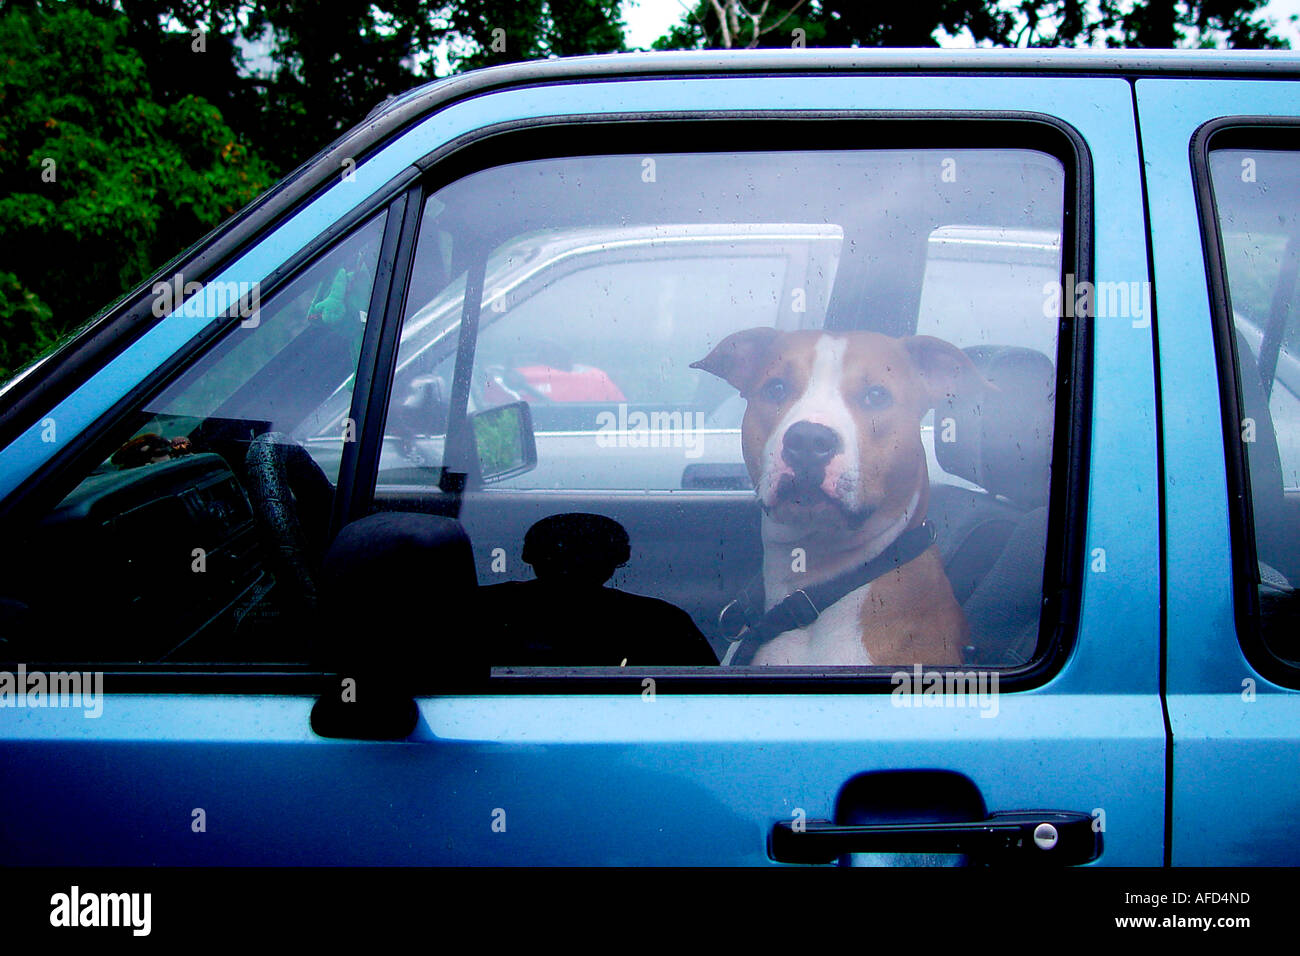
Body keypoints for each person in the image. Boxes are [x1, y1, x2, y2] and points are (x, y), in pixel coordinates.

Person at [482, 513, 717, 666]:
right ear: (616, 562)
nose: (570, 568)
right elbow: (709, 695)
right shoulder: (661, 623)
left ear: (528, 557)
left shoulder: (480, 611)